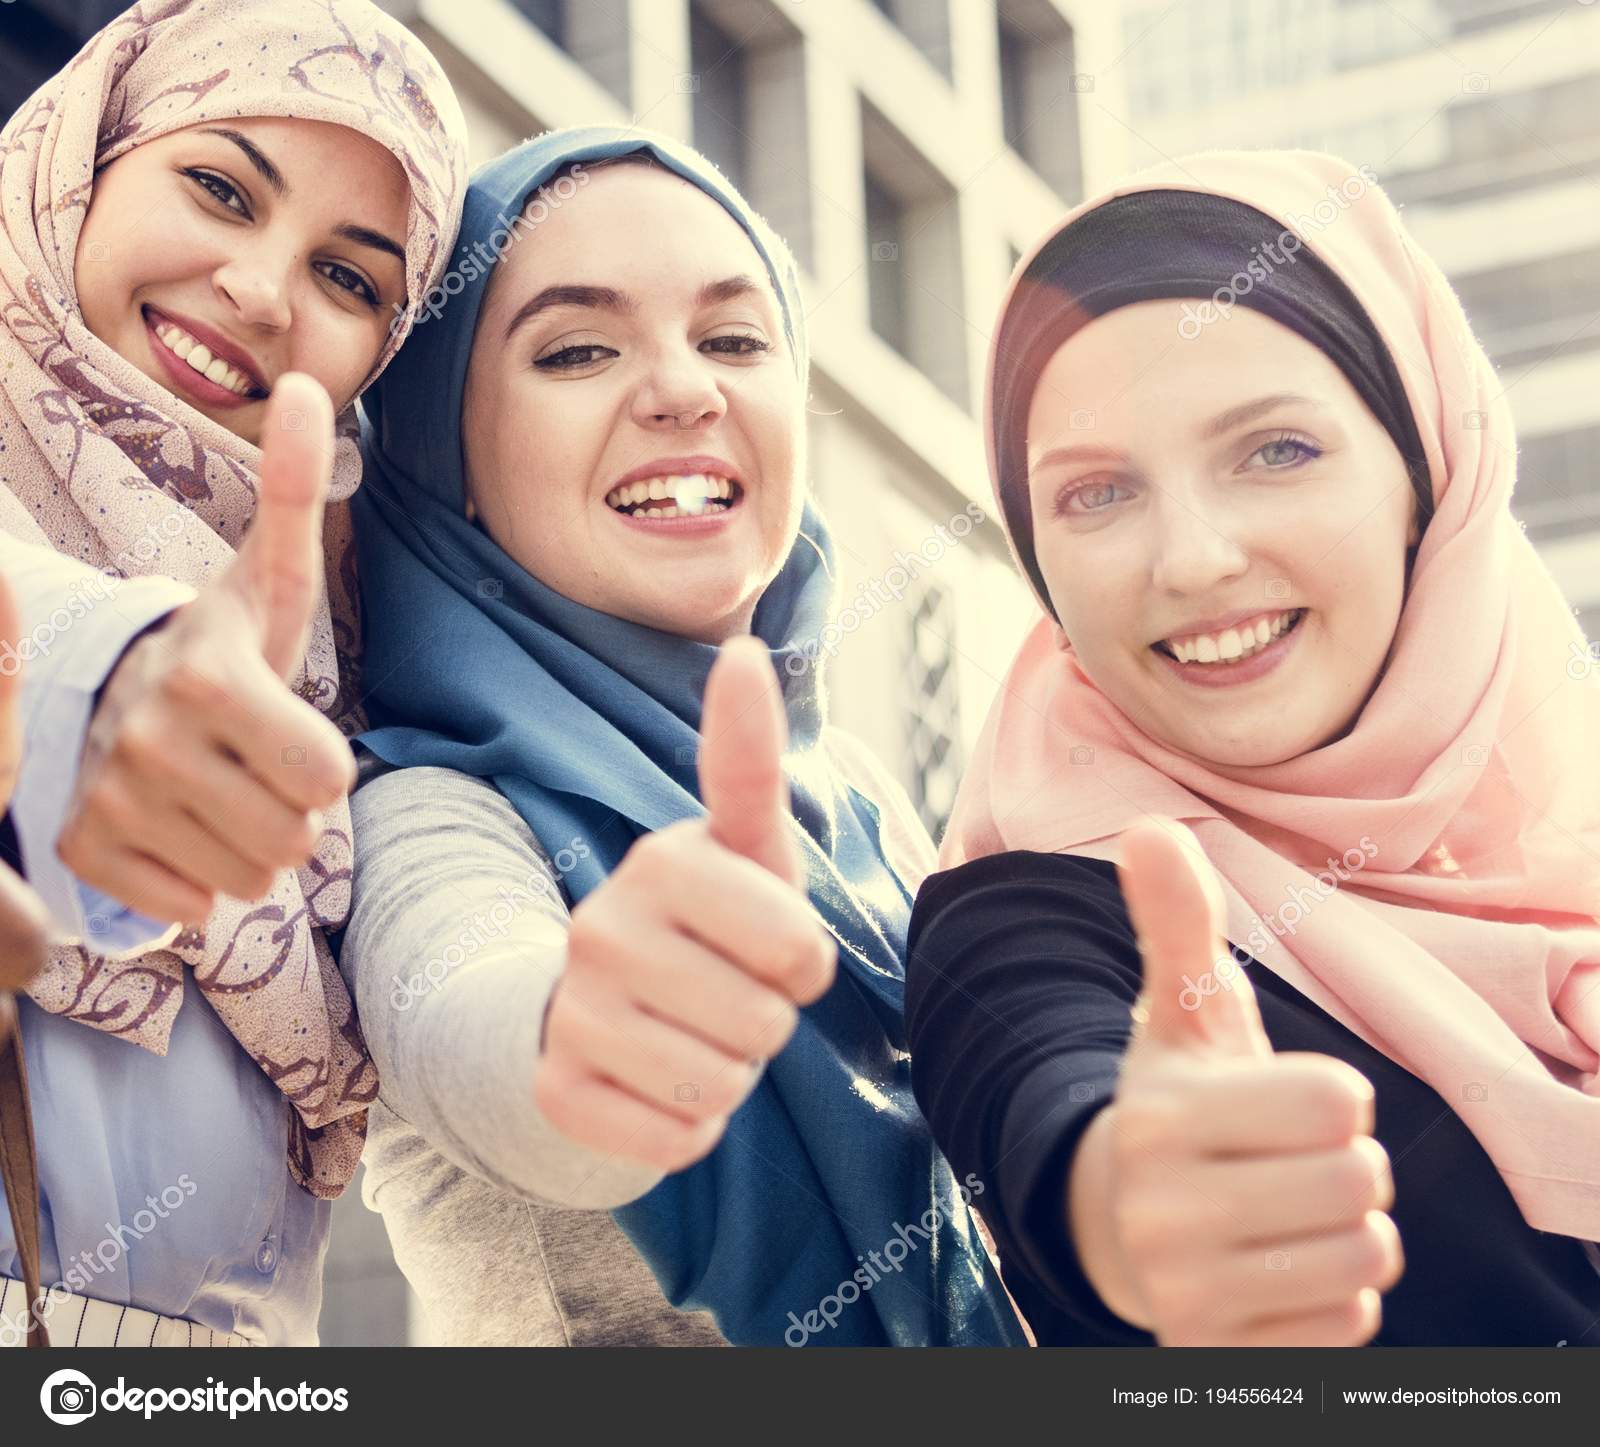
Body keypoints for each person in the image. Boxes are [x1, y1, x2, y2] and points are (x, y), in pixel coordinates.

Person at [341, 127, 1029, 1348]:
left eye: (733, 338)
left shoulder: (852, 805)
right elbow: (463, 1007)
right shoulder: (423, 807)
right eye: (577, 349)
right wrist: (597, 1039)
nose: (684, 388)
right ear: (452, 459)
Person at [905, 151, 1600, 1347]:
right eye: (1093, 494)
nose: (1191, 560)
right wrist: (1144, 1202)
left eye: (1274, 450)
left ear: (1429, 478)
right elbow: (1053, 1088)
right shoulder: (1032, 918)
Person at [0, 0, 465, 1347]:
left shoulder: (358, 658)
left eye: (350, 277)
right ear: (83, 165)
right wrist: (106, 688)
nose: (262, 290)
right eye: (217, 186)